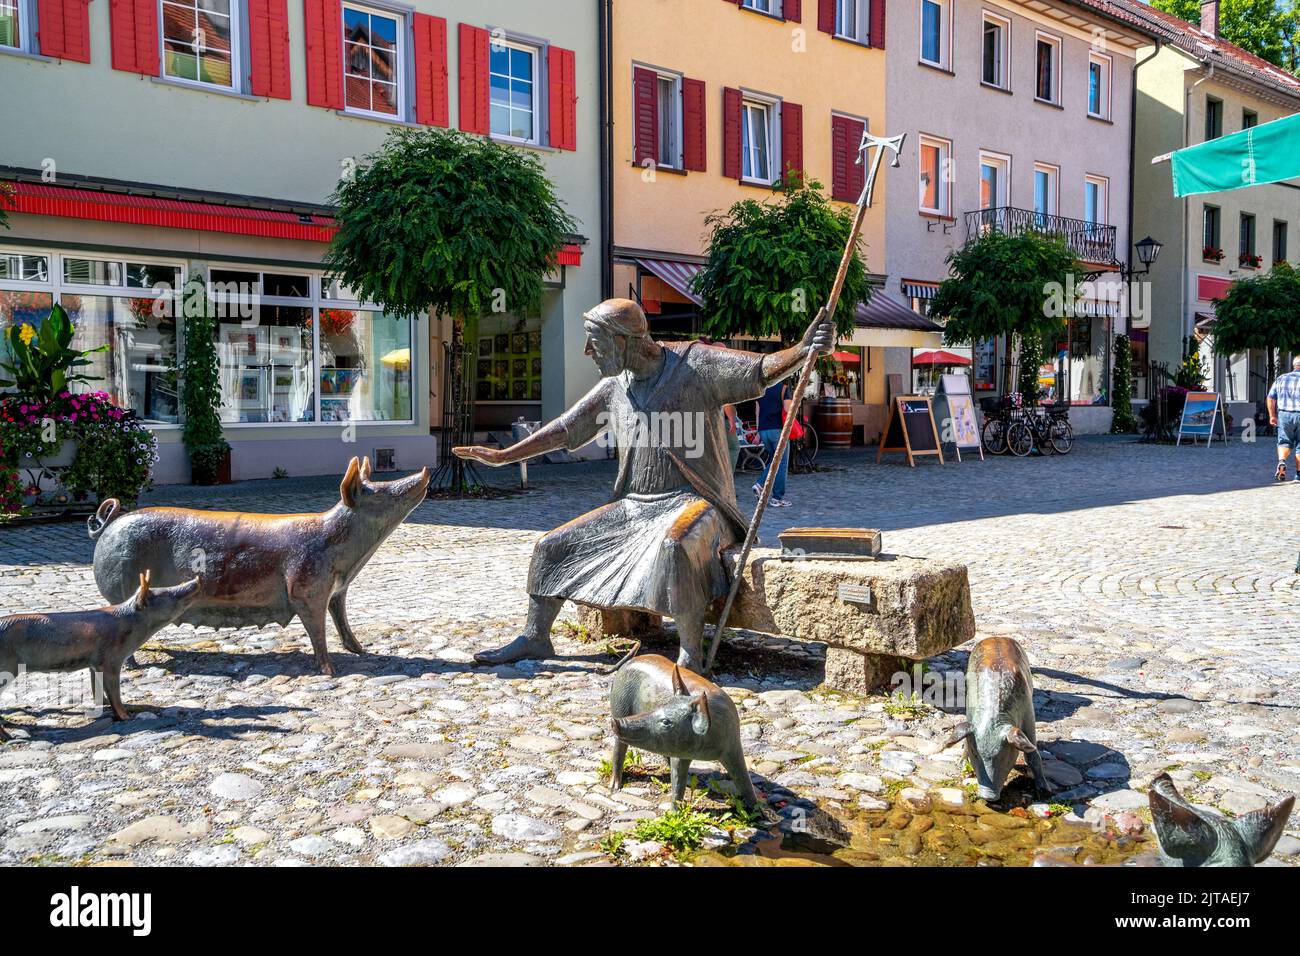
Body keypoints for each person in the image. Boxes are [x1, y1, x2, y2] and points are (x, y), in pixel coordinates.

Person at [453, 298, 833, 668]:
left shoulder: (696, 363)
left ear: (624, 340)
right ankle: (536, 637)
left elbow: (760, 369)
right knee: (550, 546)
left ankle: (690, 653)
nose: (587, 351)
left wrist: (803, 349)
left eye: (595, 341)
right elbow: (566, 429)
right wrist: (506, 455)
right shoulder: (615, 386)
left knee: (675, 545)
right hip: (634, 508)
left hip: (698, 504)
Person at [752, 380, 792, 507]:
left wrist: (758, 433)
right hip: (778, 430)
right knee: (781, 462)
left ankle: (767, 490)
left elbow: (757, 413)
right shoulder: (784, 388)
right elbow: (788, 409)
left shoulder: (760, 390)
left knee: (775, 461)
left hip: (764, 431)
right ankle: (774, 496)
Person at [1268, 355, 1300, 481]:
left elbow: (1271, 398)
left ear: (1294, 365)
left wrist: (1272, 416)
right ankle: (1298, 474)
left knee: (1284, 441)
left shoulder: (1281, 378)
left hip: (1284, 414)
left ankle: (1282, 461)